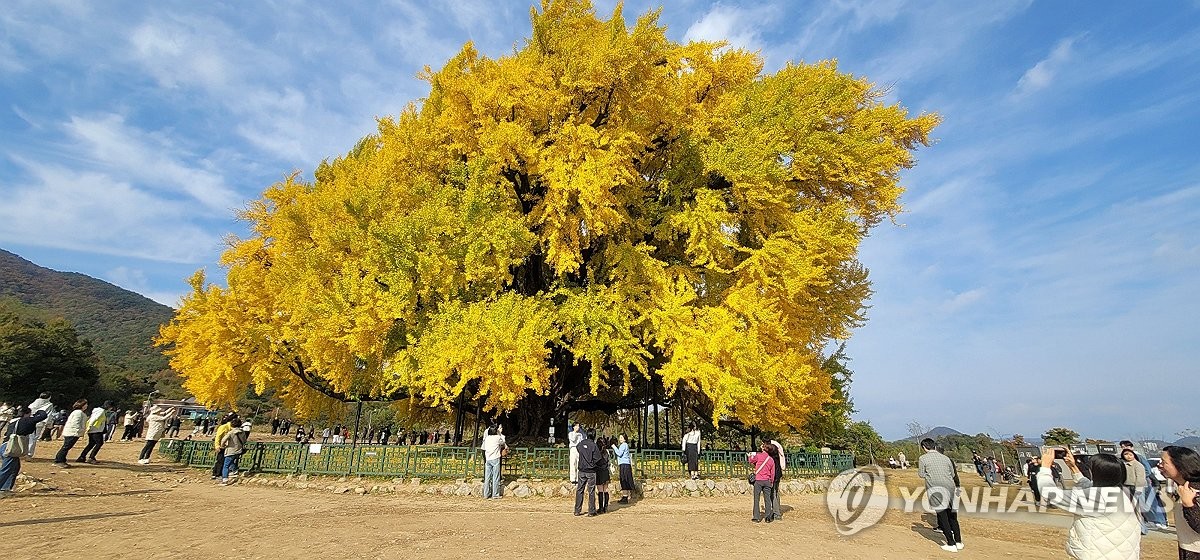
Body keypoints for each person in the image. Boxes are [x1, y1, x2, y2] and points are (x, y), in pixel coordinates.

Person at [1038, 447, 1140, 559]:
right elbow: (1089, 486)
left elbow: (1049, 493)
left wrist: (1045, 467)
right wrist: (1073, 467)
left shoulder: (1094, 497)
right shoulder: (1124, 494)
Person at [918, 438, 962, 552]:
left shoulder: (923, 458)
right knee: (952, 516)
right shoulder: (946, 458)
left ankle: (950, 543)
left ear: (924, 447)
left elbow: (921, 474)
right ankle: (958, 541)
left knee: (942, 517)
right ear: (934, 446)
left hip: (936, 489)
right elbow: (952, 474)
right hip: (950, 487)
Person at [1159, 446, 1200, 558]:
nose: (1159, 465)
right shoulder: (1181, 488)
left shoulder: (1195, 490)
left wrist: (1190, 506)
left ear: (1180, 465)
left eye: (1164, 462)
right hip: (1187, 548)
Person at [747, 442, 777, 523]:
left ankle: (756, 517)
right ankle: (768, 517)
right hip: (767, 481)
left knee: (756, 499)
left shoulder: (758, 456)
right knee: (767, 499)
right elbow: (773, 473)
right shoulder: (771, 460)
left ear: (764, 448)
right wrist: (771, 481)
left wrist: (751, 455)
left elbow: (751, 460)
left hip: (759, 480)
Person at [574, 429, 602, 517]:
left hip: (582, 470)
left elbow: (578, 449)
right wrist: (592, 463)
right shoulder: (594, 445)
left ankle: (577, 510)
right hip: (591, 471)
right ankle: (591, 511)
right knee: (591, 491)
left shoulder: (581, 443)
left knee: (579, 490)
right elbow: (598, 458)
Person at [53, 399, 89, 467]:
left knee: (67, 446)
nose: (87, 406)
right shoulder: (79, 413)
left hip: (71, 432)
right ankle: (58, 460)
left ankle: (62, 460)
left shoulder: (77, 412)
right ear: (82, 405)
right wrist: (79, 431)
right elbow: (76, 423)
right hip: (72, 432)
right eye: (86, 404)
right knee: (66, 447)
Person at [218, 415, 248, 486]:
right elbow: (244, 441)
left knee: (226, 465)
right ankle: (235, 471)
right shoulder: (242, 432)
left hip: (230, 450)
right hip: (239, 450)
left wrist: (222, 445)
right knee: (231, 461)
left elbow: (223, 440)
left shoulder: (231, 432)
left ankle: (225, 480)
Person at [480, 424, 506, 499]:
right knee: (496, 476)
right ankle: (495, 494)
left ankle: (486, 494)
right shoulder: (497, 437)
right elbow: (503, 442)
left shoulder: (487, 438)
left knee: (487, 477)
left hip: (488, 459)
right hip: (495, 458)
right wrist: (500, 433)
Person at [26, 392, 55, 457]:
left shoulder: (34, 403)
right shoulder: (49, 404)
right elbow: (49, 415)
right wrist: (49, 424)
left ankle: (23, 451)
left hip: (29, 420)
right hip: (39, 422)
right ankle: (29, 453)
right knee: (33, 438)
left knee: (27, 436)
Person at [212, 413, 237, 480]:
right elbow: (218, 437)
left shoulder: (233, 428)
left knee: (223, 460)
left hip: (228, 446)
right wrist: (217, 446)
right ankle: (217, 474)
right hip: (222, 446)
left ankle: (218, 473)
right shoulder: (224, 427)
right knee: (220, 460)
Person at [612, 434, 634, 504]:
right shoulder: (625, 445)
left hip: (624, 464)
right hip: (626, 464)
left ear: (625, 439)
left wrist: (614, 447)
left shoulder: (623, 445)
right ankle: (626, 496)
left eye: (622, 437)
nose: (620, 439)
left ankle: (625, 497)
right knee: (625, 480)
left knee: (624, 480)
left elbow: (619, 453)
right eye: (619, 437)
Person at [770, 439, 787, 520]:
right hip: (778, 475)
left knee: (772, 493)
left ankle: (776, 513)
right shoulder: (777, 458)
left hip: (773, 476)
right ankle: (776, 510)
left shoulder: (771, 459)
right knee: (776, 492)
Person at [594, 437, 612, 514]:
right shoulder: (607, 452)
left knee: (600, 490)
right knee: (606, 490)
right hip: (606, 471)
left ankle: (601, 508)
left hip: (599, 472)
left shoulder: (596, 452)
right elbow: (609, 462)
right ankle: (606, 507)